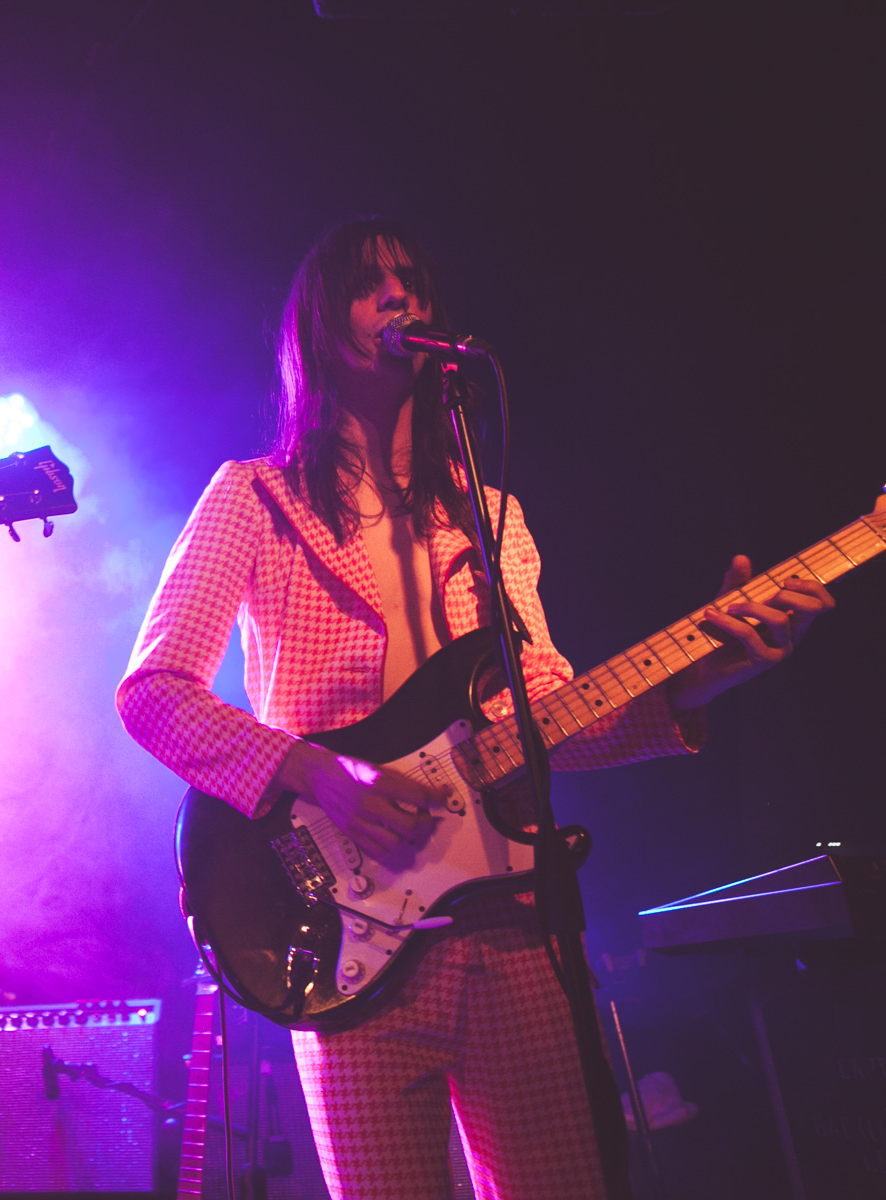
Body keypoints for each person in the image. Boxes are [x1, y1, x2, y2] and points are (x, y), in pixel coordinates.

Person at [115, 218, 836, 1199]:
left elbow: (548, 716)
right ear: (319, 326)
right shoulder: (256, 500)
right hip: (344, 933)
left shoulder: (490, 518)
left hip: (509, 917)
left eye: (412, 280)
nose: (401, 297)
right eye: (372, 283)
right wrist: (319, 770)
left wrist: (712, 670)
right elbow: (156, 694)